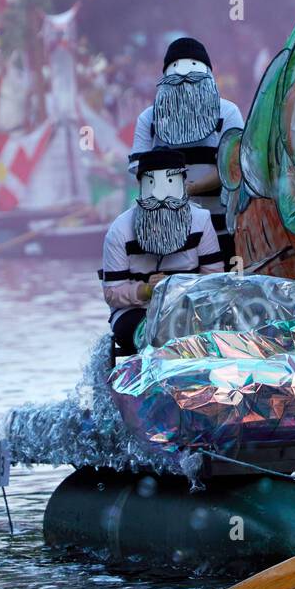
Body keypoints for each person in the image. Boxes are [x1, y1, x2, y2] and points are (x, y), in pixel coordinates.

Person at [130, 37, 244, 265]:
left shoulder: (228, 113)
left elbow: (234, 167)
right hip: (166, 230)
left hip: (221, 226)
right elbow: (139, 170)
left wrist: (187, 190)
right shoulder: (149, 119)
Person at [100, 148, 224, 354]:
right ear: (141, 186)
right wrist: (145, 291)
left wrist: (179, 289)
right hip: (136, 311)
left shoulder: (201, 220)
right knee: (142, 330)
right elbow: (111, 292)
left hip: (190, 307)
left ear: (183, 184)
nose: (161, 196)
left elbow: (214, 279)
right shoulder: (120, 229)